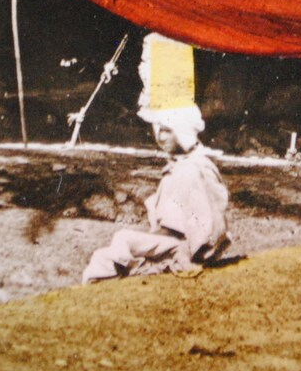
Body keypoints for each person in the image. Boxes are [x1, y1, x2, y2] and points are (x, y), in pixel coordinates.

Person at [82, 105, 231, 282]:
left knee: (117, 246)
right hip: (171, 242)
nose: (160, 137)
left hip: (183, 248)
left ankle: (124, 274)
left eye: (167, 130)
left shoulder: (193, 169)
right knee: (118, 243)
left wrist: (185, 253)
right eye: (159, 130)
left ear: (183, 130)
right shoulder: (182, 166)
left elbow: (208, 226)